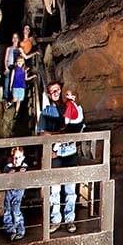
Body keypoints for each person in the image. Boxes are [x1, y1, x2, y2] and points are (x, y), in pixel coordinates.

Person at [36, 81, 83, 233]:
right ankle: (55, 220)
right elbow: (42, 134)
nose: (55, 93)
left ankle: (69, 220)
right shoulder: (46, 112)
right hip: (55, 154)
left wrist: (55, 135)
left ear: (61, 90)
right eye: (52, 91)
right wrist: (60, 135)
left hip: (70, 152)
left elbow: (78, 127)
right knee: (54, 189)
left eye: (57, 90)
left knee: (70, 188)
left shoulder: (72, 107)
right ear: (49, 95)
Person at [1, 147, 27, 241]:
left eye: (19, 157)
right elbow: (4, 177)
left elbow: (27, 178)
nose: (16, 160)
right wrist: (9, 174)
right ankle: (10, 229)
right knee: (7, 208)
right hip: (9, 191)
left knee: (16, 209)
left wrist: (21, 173)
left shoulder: (24, 166)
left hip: (19, 191)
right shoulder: (8, 167)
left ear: (23, 157)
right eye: (14, 157)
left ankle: (20, 230)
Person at [3, 33, 21, 100]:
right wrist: (6, 67)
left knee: (14, 83)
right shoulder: (9, 48)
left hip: (16, 68)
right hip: (9, 67)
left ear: (18, 39)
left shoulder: (19, 49)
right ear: (12, 39)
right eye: (14, 37)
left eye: (16, 37)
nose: (15, 39)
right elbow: (6, 59)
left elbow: (22, 59)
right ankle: (6, 97)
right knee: (7, 82)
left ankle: (13, 99)